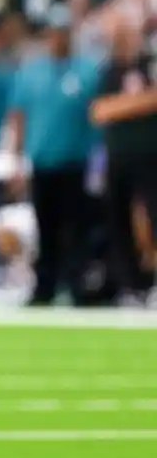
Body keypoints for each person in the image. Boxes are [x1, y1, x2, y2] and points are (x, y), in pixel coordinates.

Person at [4, 3, 103, 306]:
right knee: (45, 228)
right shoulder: (32, 73)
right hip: (43, 161)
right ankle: (44, 286)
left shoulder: (87, 71)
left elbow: (97, 115)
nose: (58, 38)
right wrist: (17, 160)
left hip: (75, 161)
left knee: (76, 229)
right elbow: (19, 118)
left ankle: (77, 285)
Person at [92, 18, 157, 306]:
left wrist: (122, 106)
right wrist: (139, 103)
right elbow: (99, 111)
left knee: (154, 217)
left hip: (150, 152)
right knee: (118, 220)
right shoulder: (108, 70)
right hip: (118, 155)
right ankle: (131, 285)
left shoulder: (149, 65)